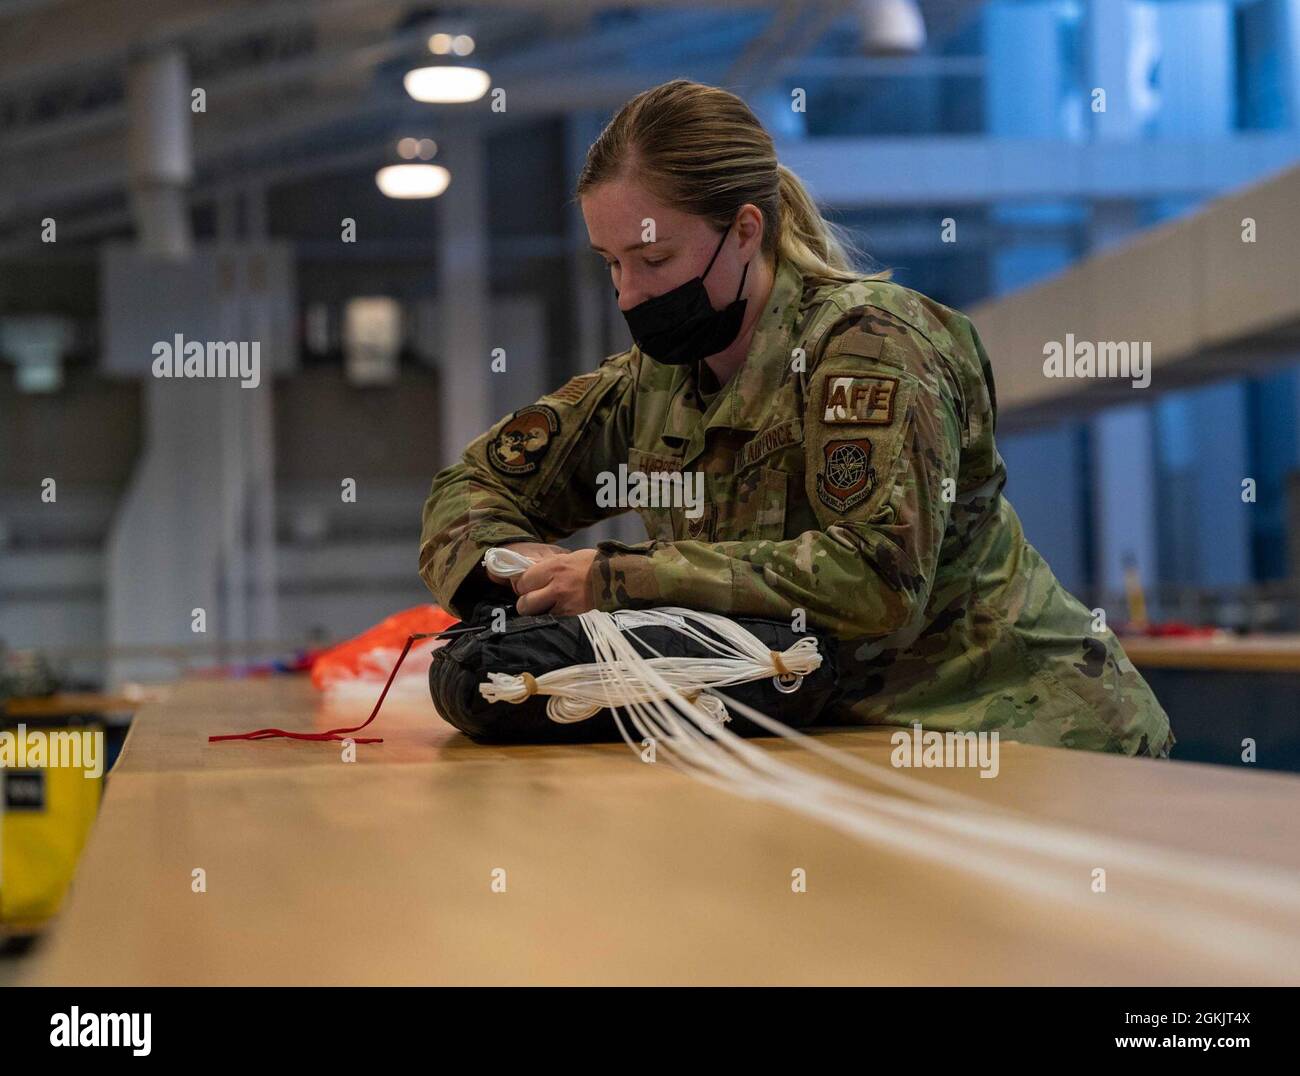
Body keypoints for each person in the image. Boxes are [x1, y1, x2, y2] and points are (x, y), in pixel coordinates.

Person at [419, 79, 1174, 758]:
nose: (627, 294)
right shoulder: (652, 386)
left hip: (1025, 736)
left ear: (746, 231)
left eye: (654, 261)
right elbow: (472, 486)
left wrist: (620, 582)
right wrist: (517, 577)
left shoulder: (872, 347)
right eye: (610, 262)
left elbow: (875, 576)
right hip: (850, 743)